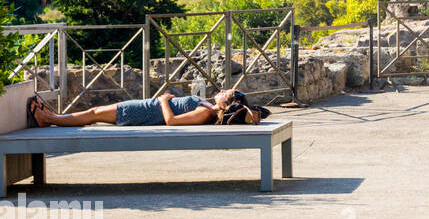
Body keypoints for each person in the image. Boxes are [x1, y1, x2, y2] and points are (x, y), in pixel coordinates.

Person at [28, 89, 267, 128]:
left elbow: (171, 122)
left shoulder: (206, 112)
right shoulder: (207, 105)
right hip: (145, 107)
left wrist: (163, 101)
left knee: (93, 115)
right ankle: (50, 116)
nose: (223, 89)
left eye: (228, 92)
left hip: (143, 113)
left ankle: (47, 118)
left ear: (226, 102)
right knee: (95, 111)